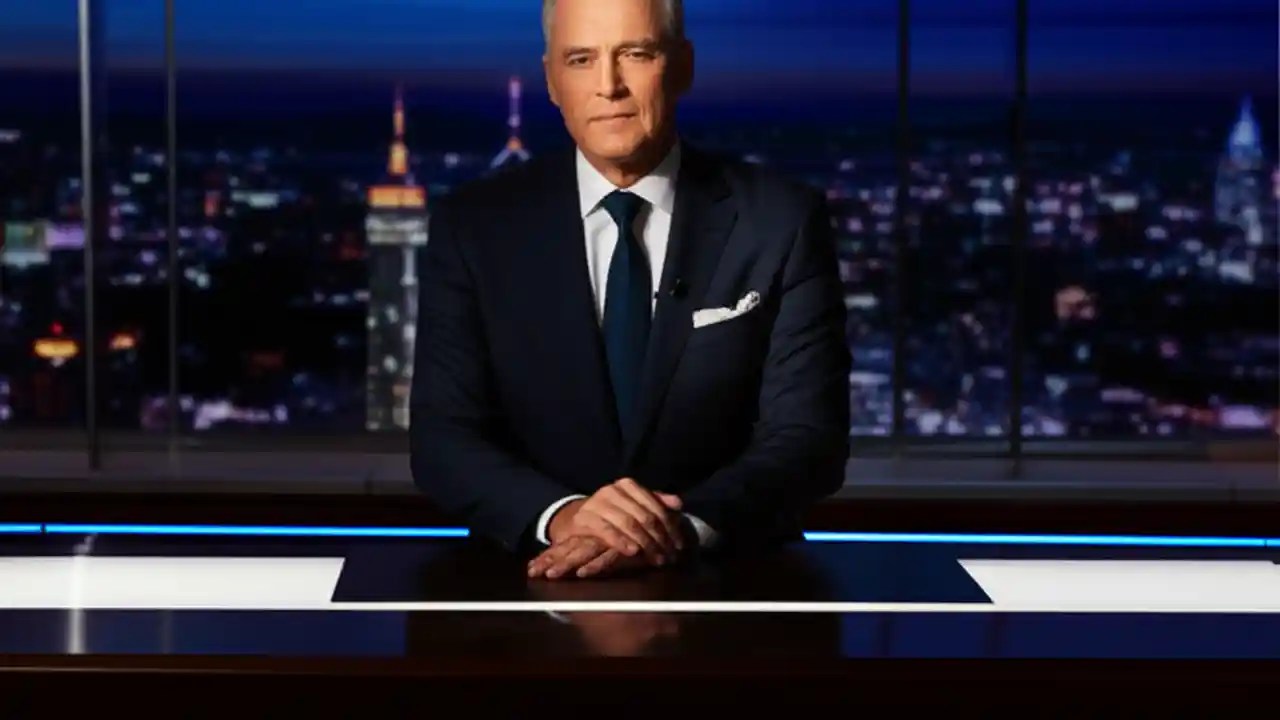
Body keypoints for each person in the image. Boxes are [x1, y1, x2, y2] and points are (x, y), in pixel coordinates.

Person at [410, 0, 851, 581]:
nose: (609, 86)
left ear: (682, 65)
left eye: (635, 54)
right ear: (551, 80)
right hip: (527, 587)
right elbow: (444, 441)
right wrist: (565, 517)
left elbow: (808, 439)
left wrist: (674, 528)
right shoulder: (474, 227)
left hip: (732, 588)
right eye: (581, 59)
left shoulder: (780, 220)